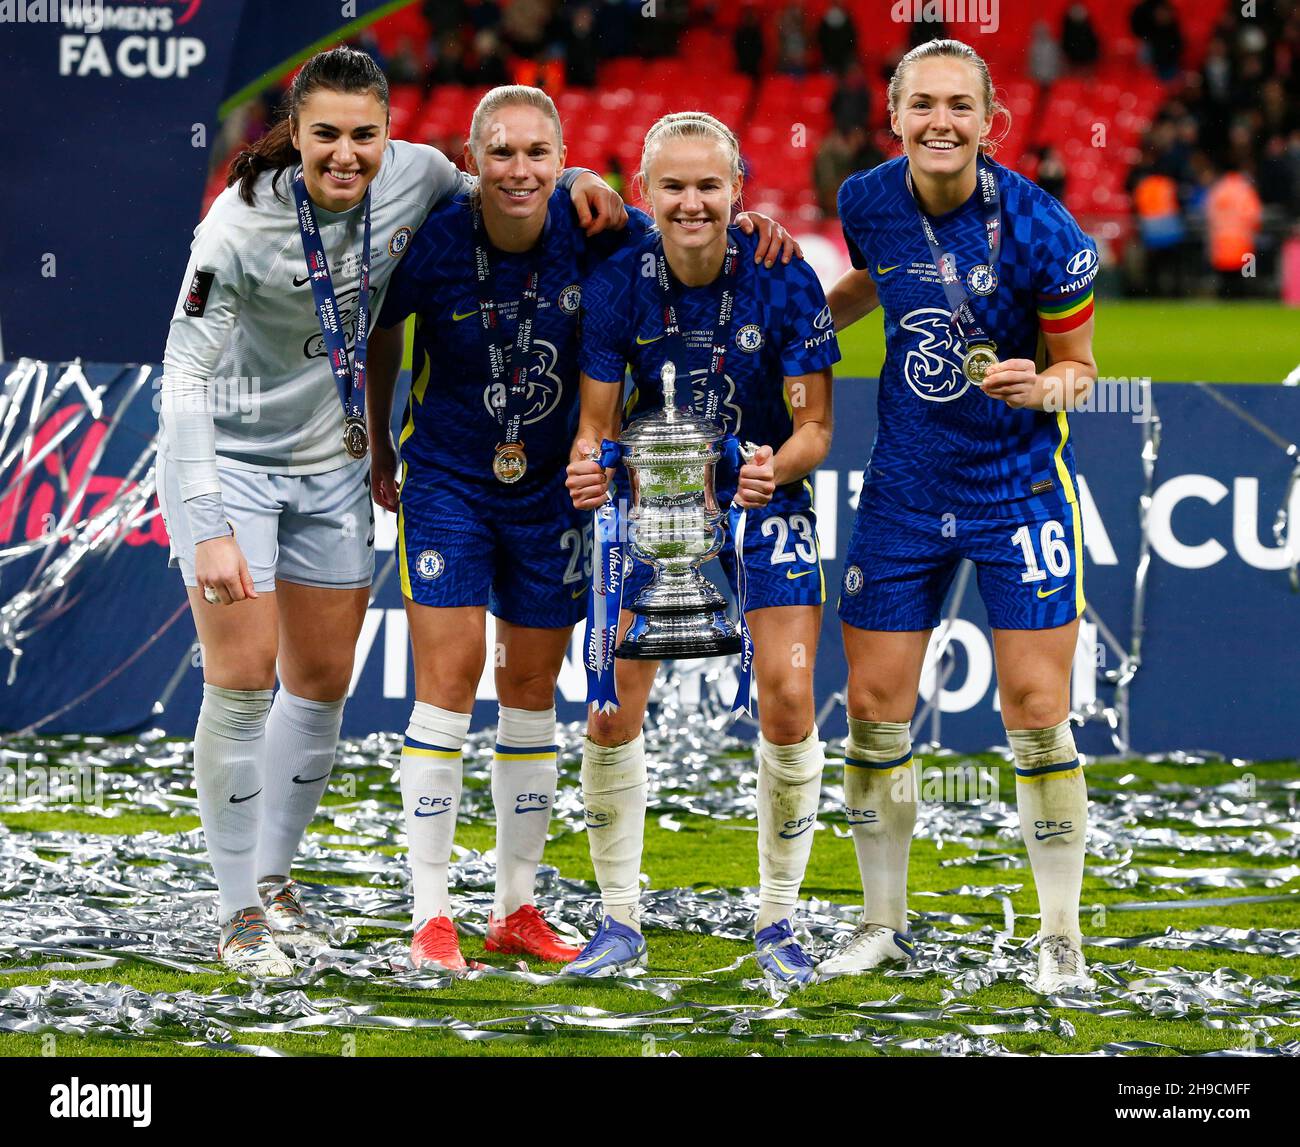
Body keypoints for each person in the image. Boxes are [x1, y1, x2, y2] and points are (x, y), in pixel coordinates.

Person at [157, 47, 624, 978]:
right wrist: (204, 519)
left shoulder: (416, 176)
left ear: (388, 134)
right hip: (234, 465)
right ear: (294, 134)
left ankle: (278, 880)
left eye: (363, 134)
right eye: (325, 134)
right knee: (245, 678)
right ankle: (238, 909)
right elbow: (182, 378)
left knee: (322, 680)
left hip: (332, 458)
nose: (346, 153)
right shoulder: (235, 227)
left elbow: (510, 175)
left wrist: (579, 175)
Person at [369, 89, 800, 973]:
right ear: (473, 157)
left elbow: (694, 233)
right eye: (502, 154)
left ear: (564, 156)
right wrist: (377, 443)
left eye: (539, 154)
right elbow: (381, 333)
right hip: (449, 478)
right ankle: (428, 914)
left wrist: (751, 221)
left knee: (532, 687)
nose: (520, 172)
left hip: (556, 491)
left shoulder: (605, 229)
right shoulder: (439, 239)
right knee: (447, 681)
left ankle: (516, 908)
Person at [825, 39, 1100, 994]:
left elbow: (1084, 370)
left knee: (1035, 712)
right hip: (904, 486)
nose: (941, 121)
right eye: (923, 105)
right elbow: (885, 280)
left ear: (992, 123)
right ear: (893, 117)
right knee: (871, 710)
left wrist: (1047, 386)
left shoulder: (1045, 230)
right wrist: (803, 328)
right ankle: (881, 924)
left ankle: (1058, 935)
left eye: (960, 107)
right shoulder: (866, 200)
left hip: (1014, 489)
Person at [565, 111, 840, 986]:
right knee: (609, 705)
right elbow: (597, 428)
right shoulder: (617, 280)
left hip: (766, 501)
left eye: (709, 186)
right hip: (654, 508)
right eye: (673, 186)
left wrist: (772, 464)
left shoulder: (783, 275)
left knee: (790, 696)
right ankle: (616, 920)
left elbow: (818, 427)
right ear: (645, 193)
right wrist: (589, 466)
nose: (692, 202)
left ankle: (778, 919)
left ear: (738, 191)